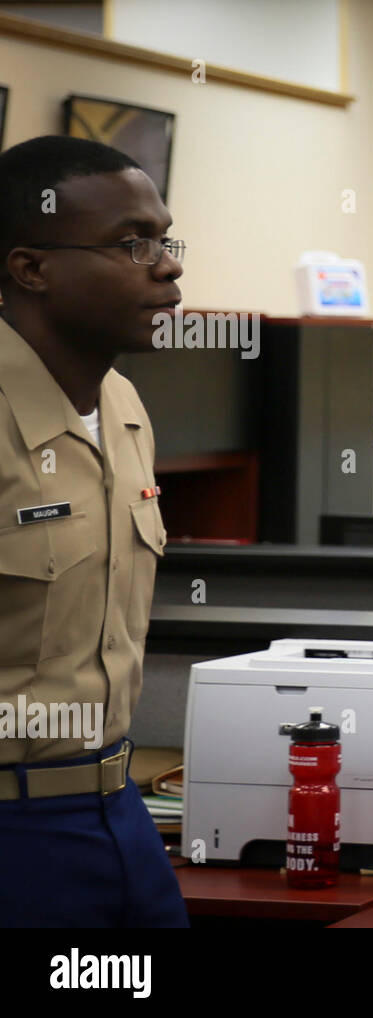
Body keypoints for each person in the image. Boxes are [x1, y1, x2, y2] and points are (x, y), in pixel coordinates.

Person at [0, 135, 188, 926]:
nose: (168, 265)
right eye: (130, 244)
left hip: (119, 812)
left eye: (164, 239)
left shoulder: (125, 408)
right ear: (31, 268)